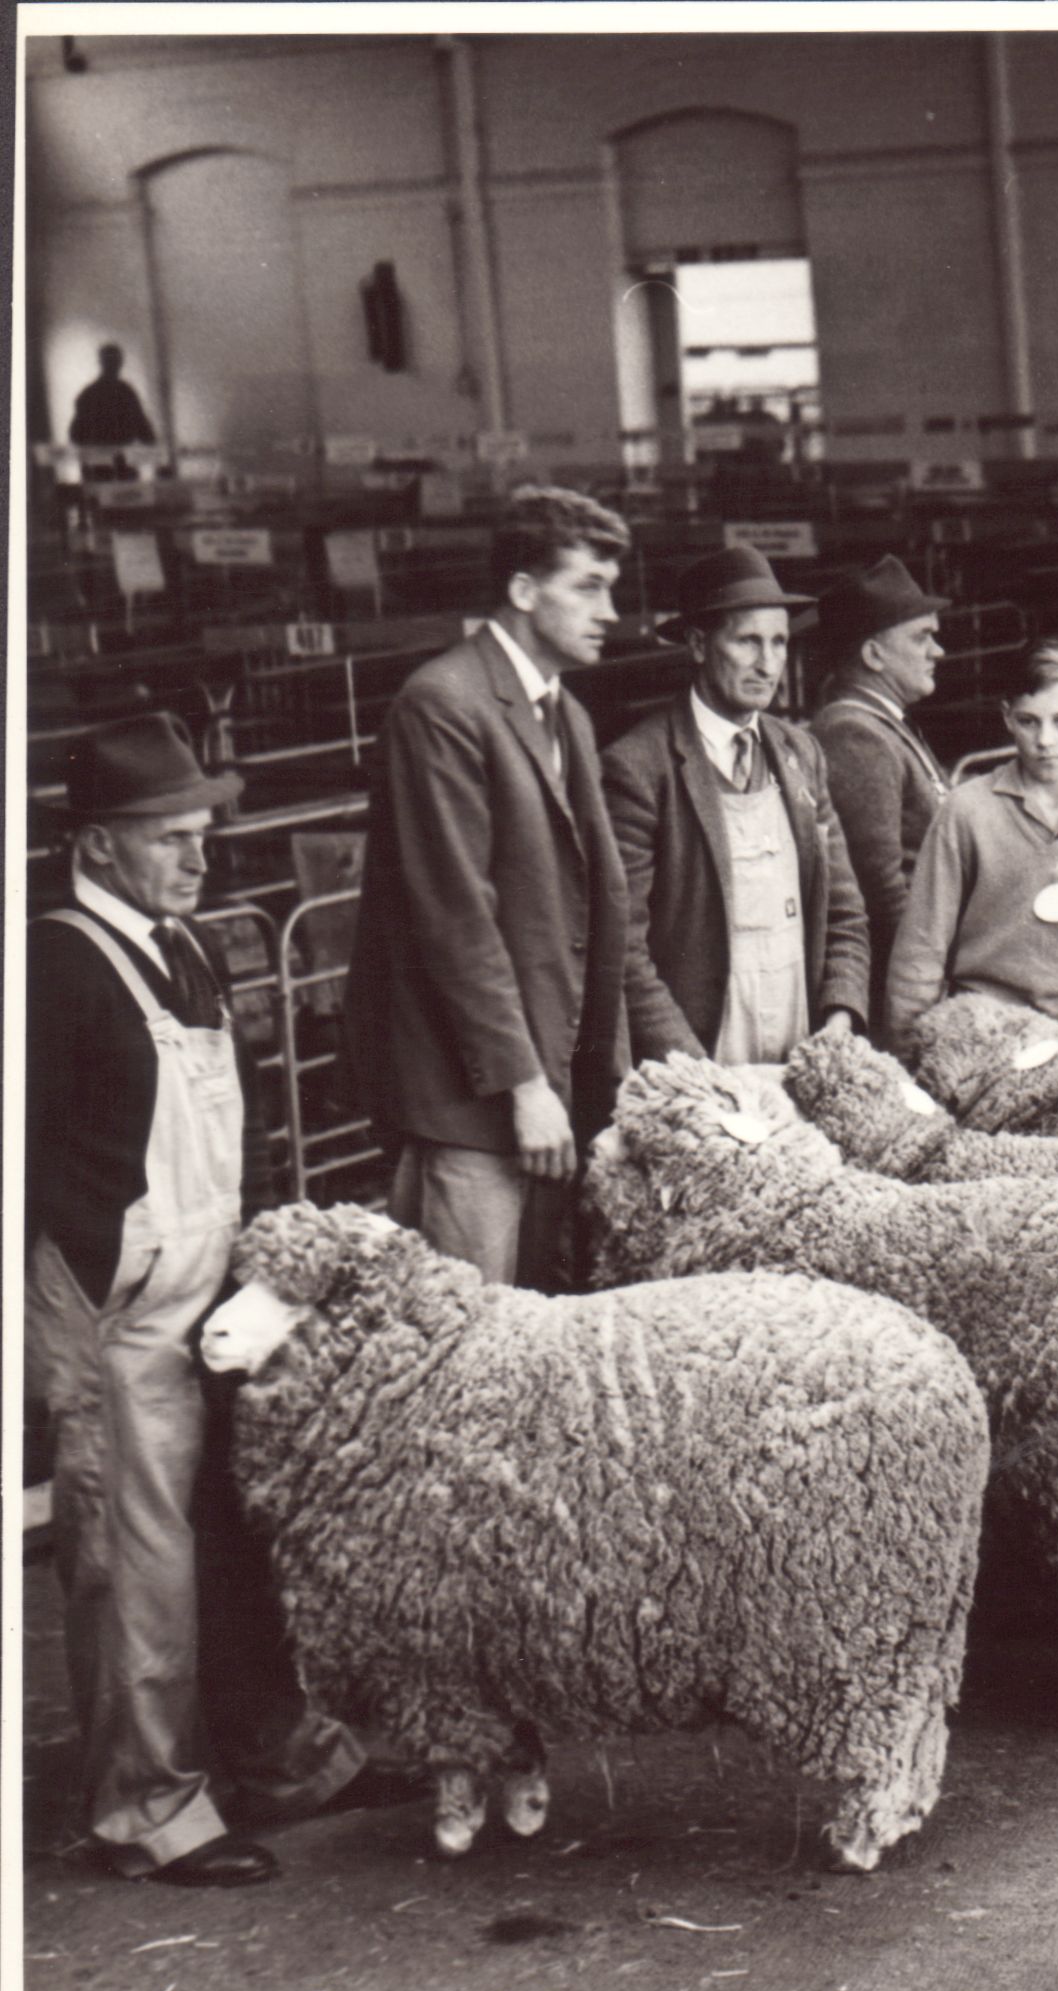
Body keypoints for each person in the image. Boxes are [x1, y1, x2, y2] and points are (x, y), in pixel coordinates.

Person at [31, 718, 384, 1887]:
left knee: (235, 1534)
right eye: (170, 838)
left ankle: (287, 1762)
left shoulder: (186, 948)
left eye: (202, 833)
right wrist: (68, 1302)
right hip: (115, 1303)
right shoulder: (54, 967)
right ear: (96, 842)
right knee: (137, 1556)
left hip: (209, 1287)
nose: (200, 858)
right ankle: (151, 1808)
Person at [345, 484, 639, 1291]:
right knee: (462, 1352)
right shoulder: (442, 704)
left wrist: (604, 1080)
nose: (609, 610)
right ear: (520, 590)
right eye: (587, 586)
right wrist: (524, 1086)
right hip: (474, 1104)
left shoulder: (565, 715)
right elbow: (455, 919)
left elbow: (599, 906)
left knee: (531, 1344)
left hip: (550, 1090)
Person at [601, 543, 871, 1068]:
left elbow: (844, 912)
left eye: (779, 642)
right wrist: (693, 1072)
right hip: (700, 1061)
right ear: (699, 644)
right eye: (749, 642)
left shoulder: (800, 752)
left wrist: (840, 1015)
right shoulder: (638, 768)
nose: (769, 664)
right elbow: (624, 950)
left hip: (801, 1052)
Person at [884, 638, 1058, 1066]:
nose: (1045, 740)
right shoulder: (966, 812)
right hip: (979, 1044)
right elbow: (921, 950)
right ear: (1008, 719)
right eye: (1029, 721)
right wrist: (914, 1060)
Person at [807, 554, 953, 1026]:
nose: (938, 651)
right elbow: (880, 889)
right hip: (907, 994)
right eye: (922, 637)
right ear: (873, 655)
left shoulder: (884, 724)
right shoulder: (855, 733)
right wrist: (936, 982)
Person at [69, 342, 157, 458]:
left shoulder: (89, 394)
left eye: (115, 361)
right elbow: (142, 426)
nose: (115, 365)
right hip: (113, 460)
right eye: (112, 362)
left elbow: (76, 435)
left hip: (103, 461)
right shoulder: (125, 392)